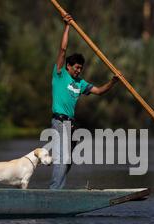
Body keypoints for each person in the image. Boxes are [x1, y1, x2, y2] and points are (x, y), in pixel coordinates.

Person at [49, 13, 119, 189]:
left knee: (69, 160)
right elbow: (63, 50)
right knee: (61, 159)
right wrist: (67, 26)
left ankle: (59, 190)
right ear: (68, 66)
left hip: (71, 125)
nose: (79, 71)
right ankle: (53, 192)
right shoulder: (59, 75)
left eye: (81, 68)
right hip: (59, 121)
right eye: (76, 67)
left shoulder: (81, 83)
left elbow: (100, 91)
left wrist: (113, 81)